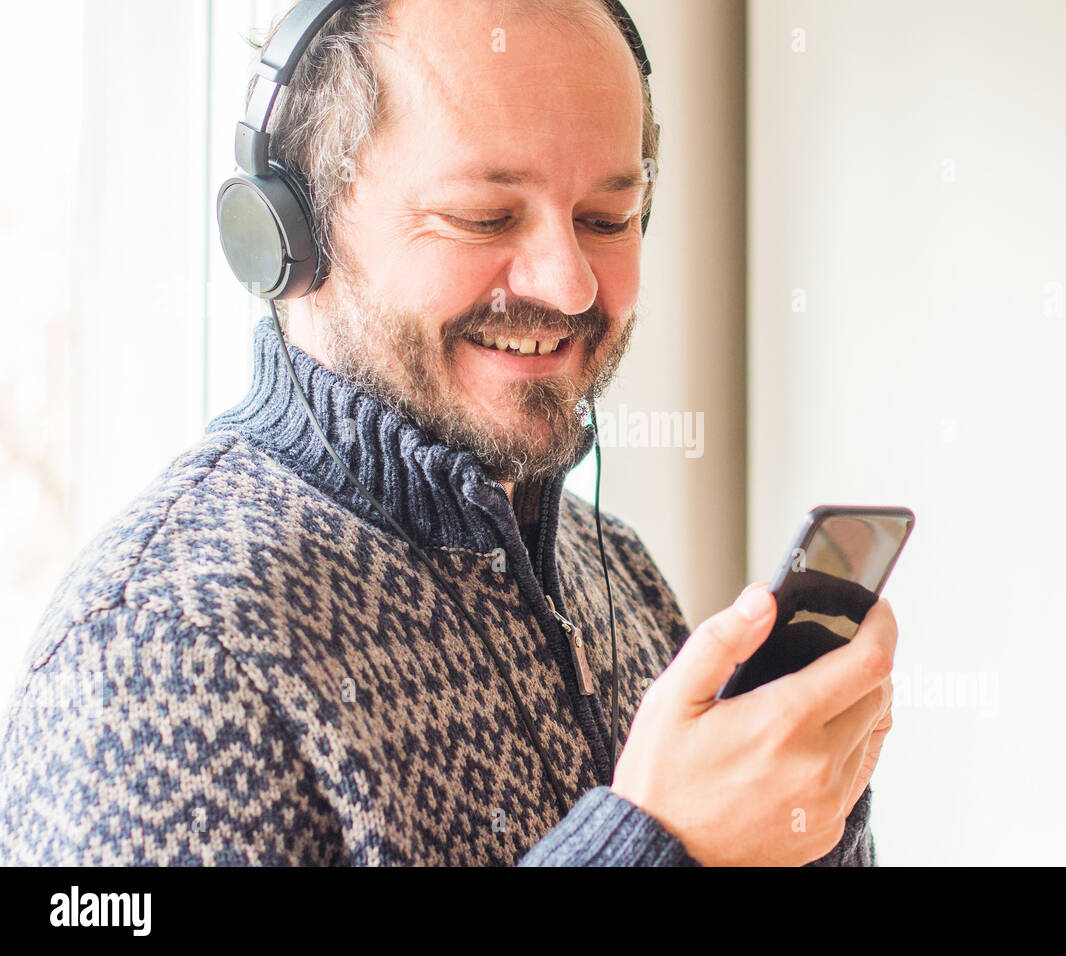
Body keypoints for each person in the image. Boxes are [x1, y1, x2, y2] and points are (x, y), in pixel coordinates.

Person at [0, 0, 895, 866]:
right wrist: (659, 843)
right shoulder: (161, 652)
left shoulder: (611, 568)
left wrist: (799, 823)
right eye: (484, 218)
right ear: (289, 231)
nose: (572, 286)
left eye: (607, 220)